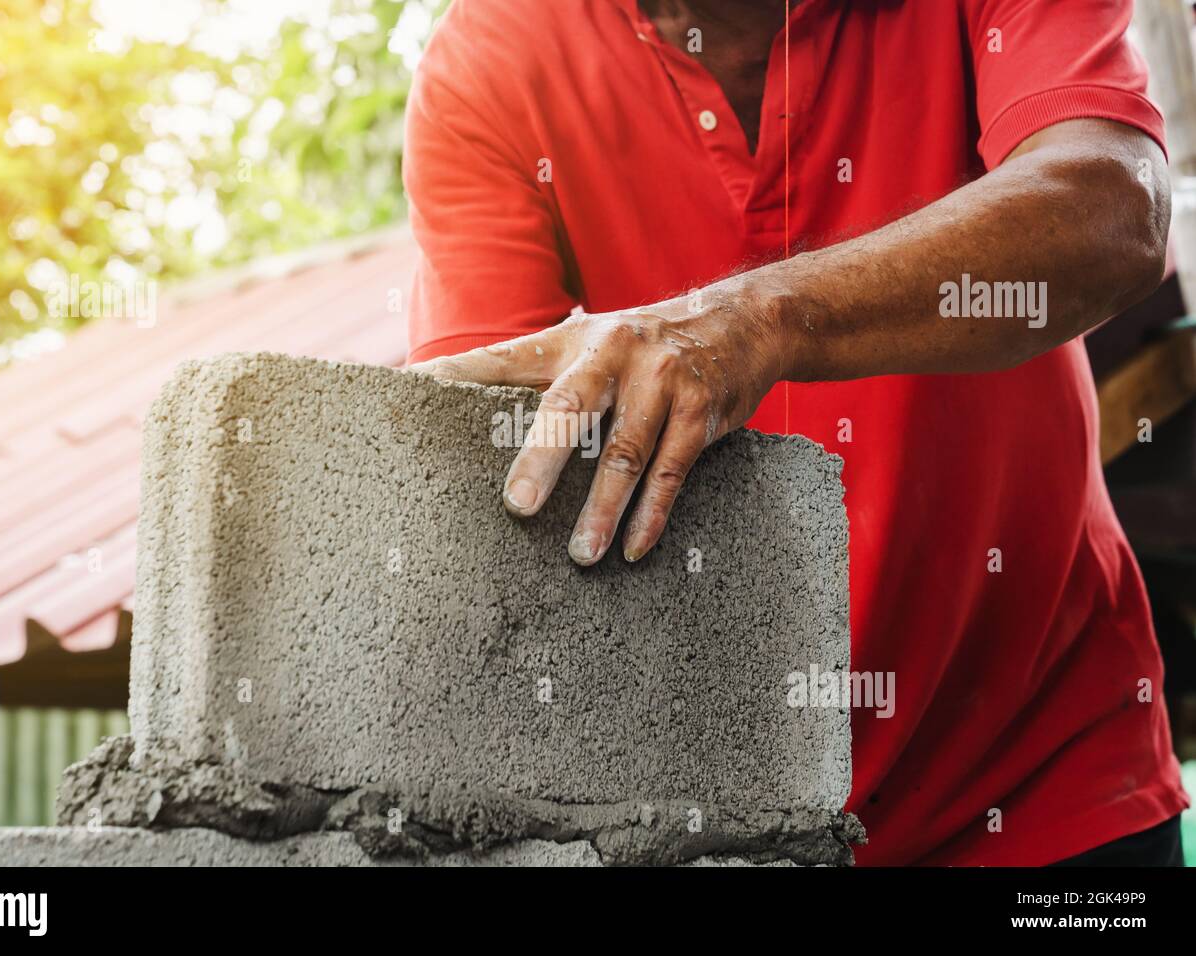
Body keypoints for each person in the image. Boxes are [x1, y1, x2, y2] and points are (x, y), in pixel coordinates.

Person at [403, 0, 1190, 865]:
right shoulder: (490, 56)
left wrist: (760, 320)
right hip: (730, 830)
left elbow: (1115, 207)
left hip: (1049, 777)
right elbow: (485, 469)